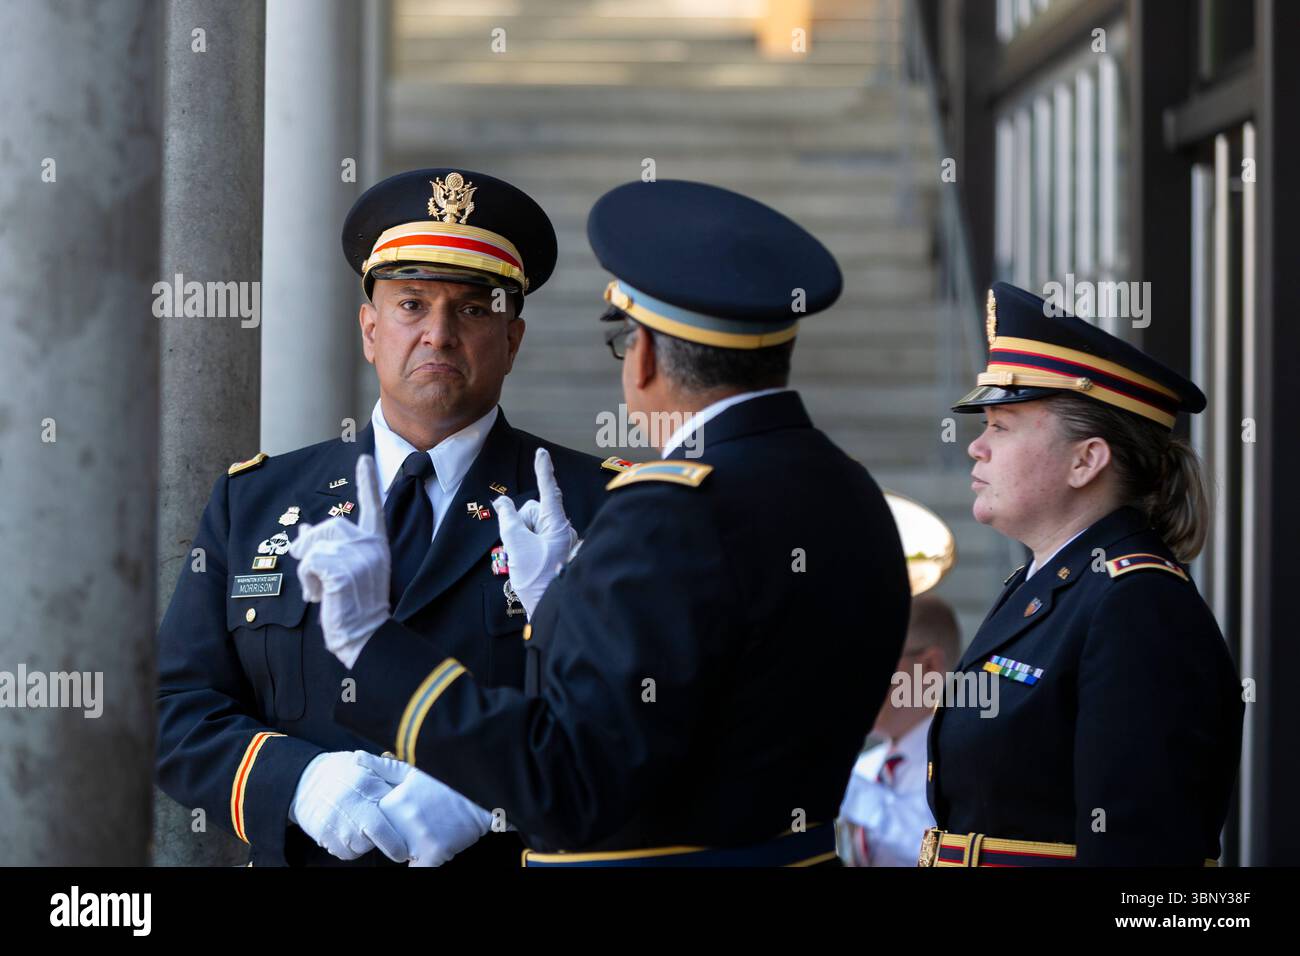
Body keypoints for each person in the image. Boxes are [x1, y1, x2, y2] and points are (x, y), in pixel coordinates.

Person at [293, 179, 913, 866]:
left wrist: (372, 645)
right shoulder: (850, 489)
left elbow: (570, 789)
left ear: (642, 356)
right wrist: (562, 605)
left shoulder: (671, 511)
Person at [155, 168, 613, 867]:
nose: (438, 334)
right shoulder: (256, 501)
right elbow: (176, 708)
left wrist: (498, 795)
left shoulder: (594, 506)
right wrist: (297, 780)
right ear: (370, 329)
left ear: (513, 340)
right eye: (411, 305)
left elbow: (642, 723)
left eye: (472, 310)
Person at [920, 281, 1243, 867]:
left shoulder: (1138, 605)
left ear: (1086, 460)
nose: (977, 448)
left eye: (1002, 425)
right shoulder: (1048, 585)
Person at [838, 594, 957, 866]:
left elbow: (937, 851)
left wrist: (847, 787)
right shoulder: (865, 768)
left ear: (930, 667)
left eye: (876, 661)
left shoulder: (960, 763)